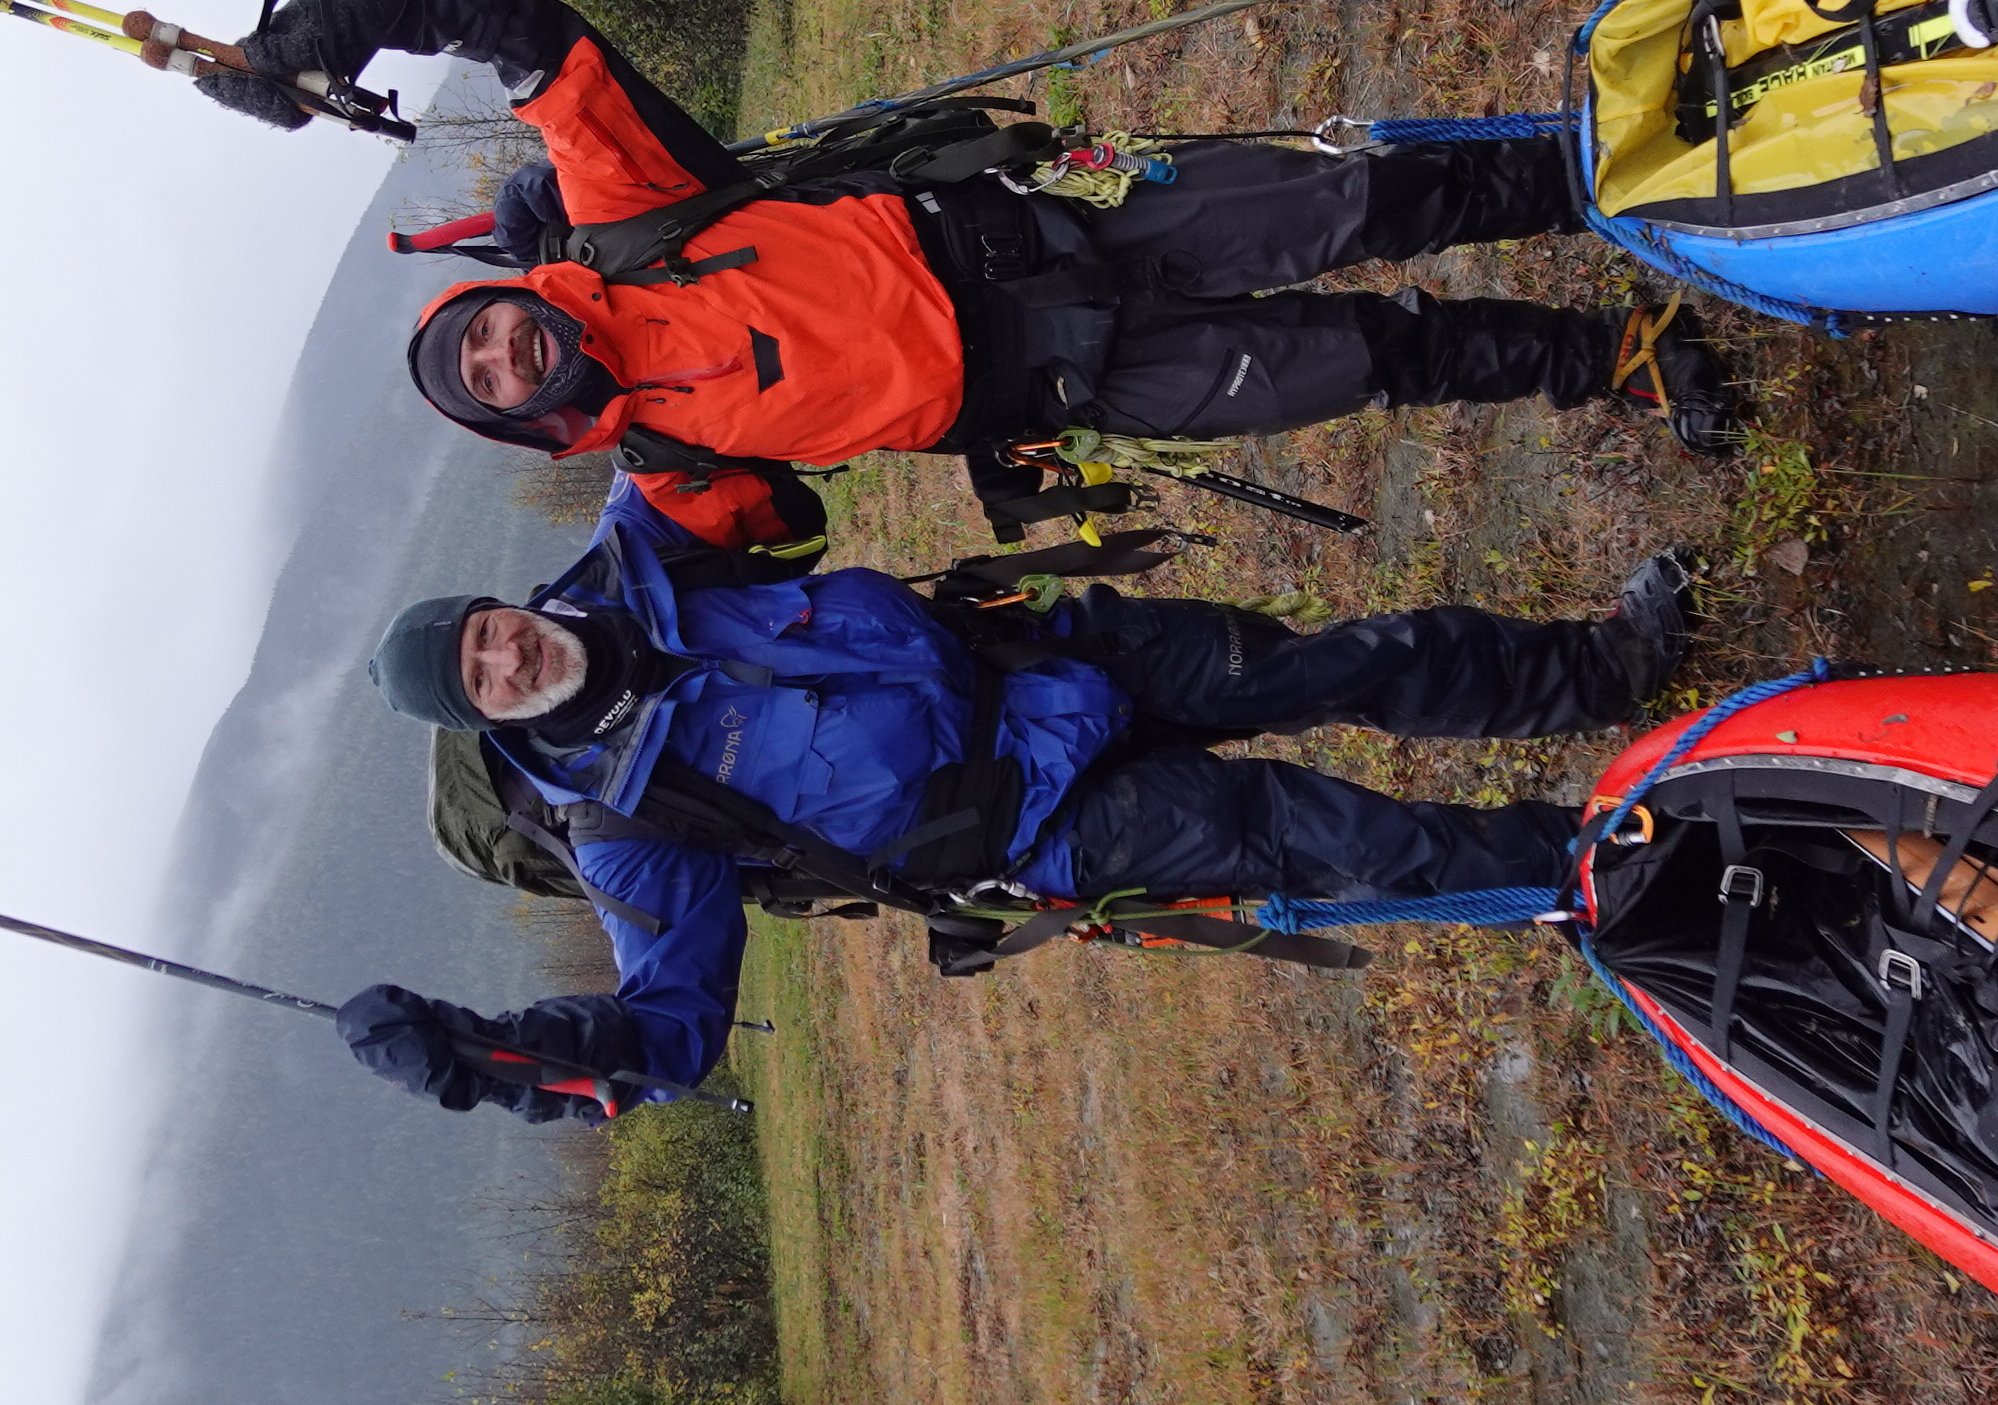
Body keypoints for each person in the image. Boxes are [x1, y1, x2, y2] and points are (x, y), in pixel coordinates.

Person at [202, 0, 1732, 553]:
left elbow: (532, 41)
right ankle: (1619, 360)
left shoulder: (628, 224)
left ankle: (1599, 171)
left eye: (478, 329)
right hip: (1068, 388)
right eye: (479, 380)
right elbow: (770, 555)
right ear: (505, 414)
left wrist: (347, 32)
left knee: (1352, 203)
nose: (496, 353)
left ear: (505, 298)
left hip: (1058, 206)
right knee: (1364, 362)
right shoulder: (661, 463)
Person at [329, 476, 1698, 1117]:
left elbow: (680, 409)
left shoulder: (633, 558)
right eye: (484, 681)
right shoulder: (624, 833)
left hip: (1048, 659)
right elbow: (667, 1036)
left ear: (500, 604)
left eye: (487, 632)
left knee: (1348, 660)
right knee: (1346, 836)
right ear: (494, 723)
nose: (508, 658)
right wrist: (489, 1056)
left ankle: (1607, 666)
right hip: (1038, 828)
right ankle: (1601, 870)